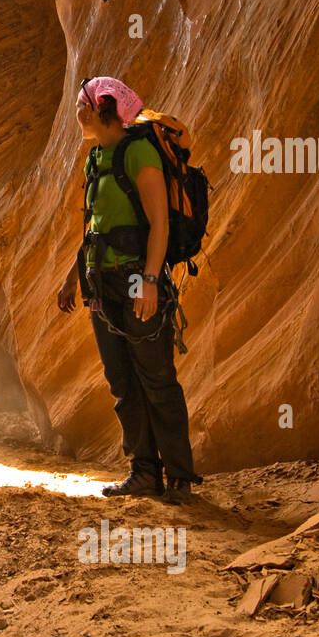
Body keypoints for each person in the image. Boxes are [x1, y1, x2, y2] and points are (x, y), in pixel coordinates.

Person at [56, 76, 201, 504]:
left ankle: (179, 477)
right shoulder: (95, 157)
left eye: (81, 106)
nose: (77, 114)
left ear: (100, 109)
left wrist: (152, 282)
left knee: (156, 377)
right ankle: (143, 472)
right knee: (122, 381)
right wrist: (70, 276)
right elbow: (94, 226)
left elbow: (160, 223)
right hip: (101, 282)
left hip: (139, 276)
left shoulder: (139, 152)